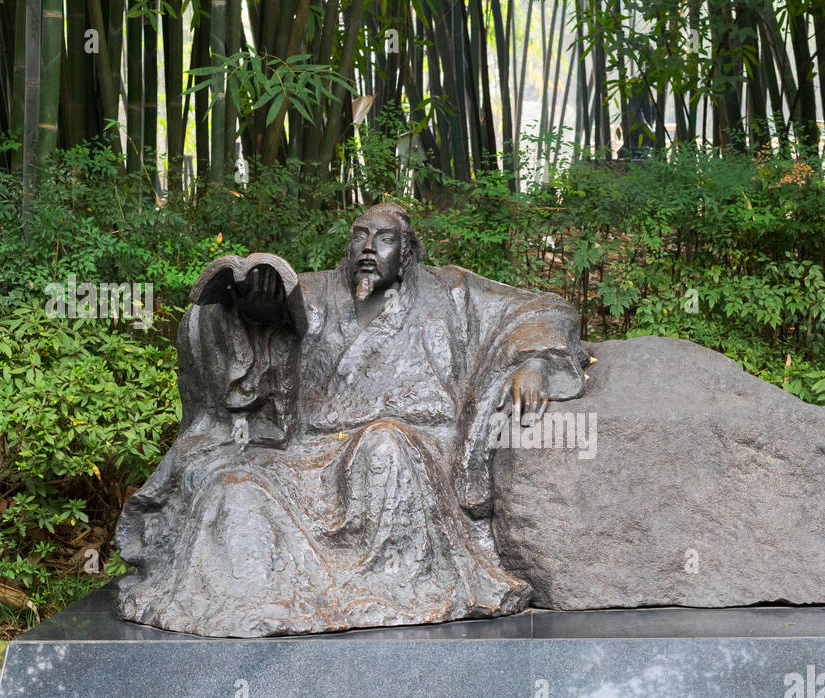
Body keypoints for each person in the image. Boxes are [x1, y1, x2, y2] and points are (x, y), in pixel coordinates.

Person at [115, 203, 587, 637]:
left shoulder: (454, 292)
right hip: (308, 455)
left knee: (384, 447)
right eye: (358, 236)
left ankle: (386, 593)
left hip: (404, 444)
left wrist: (533, 359)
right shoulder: (313, 293)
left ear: (407, 252)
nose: (367, 248)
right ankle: (246, 603)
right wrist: (255, 318)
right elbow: (235, 356)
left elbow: (539, 307)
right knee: (235, 484)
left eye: (382, 239)